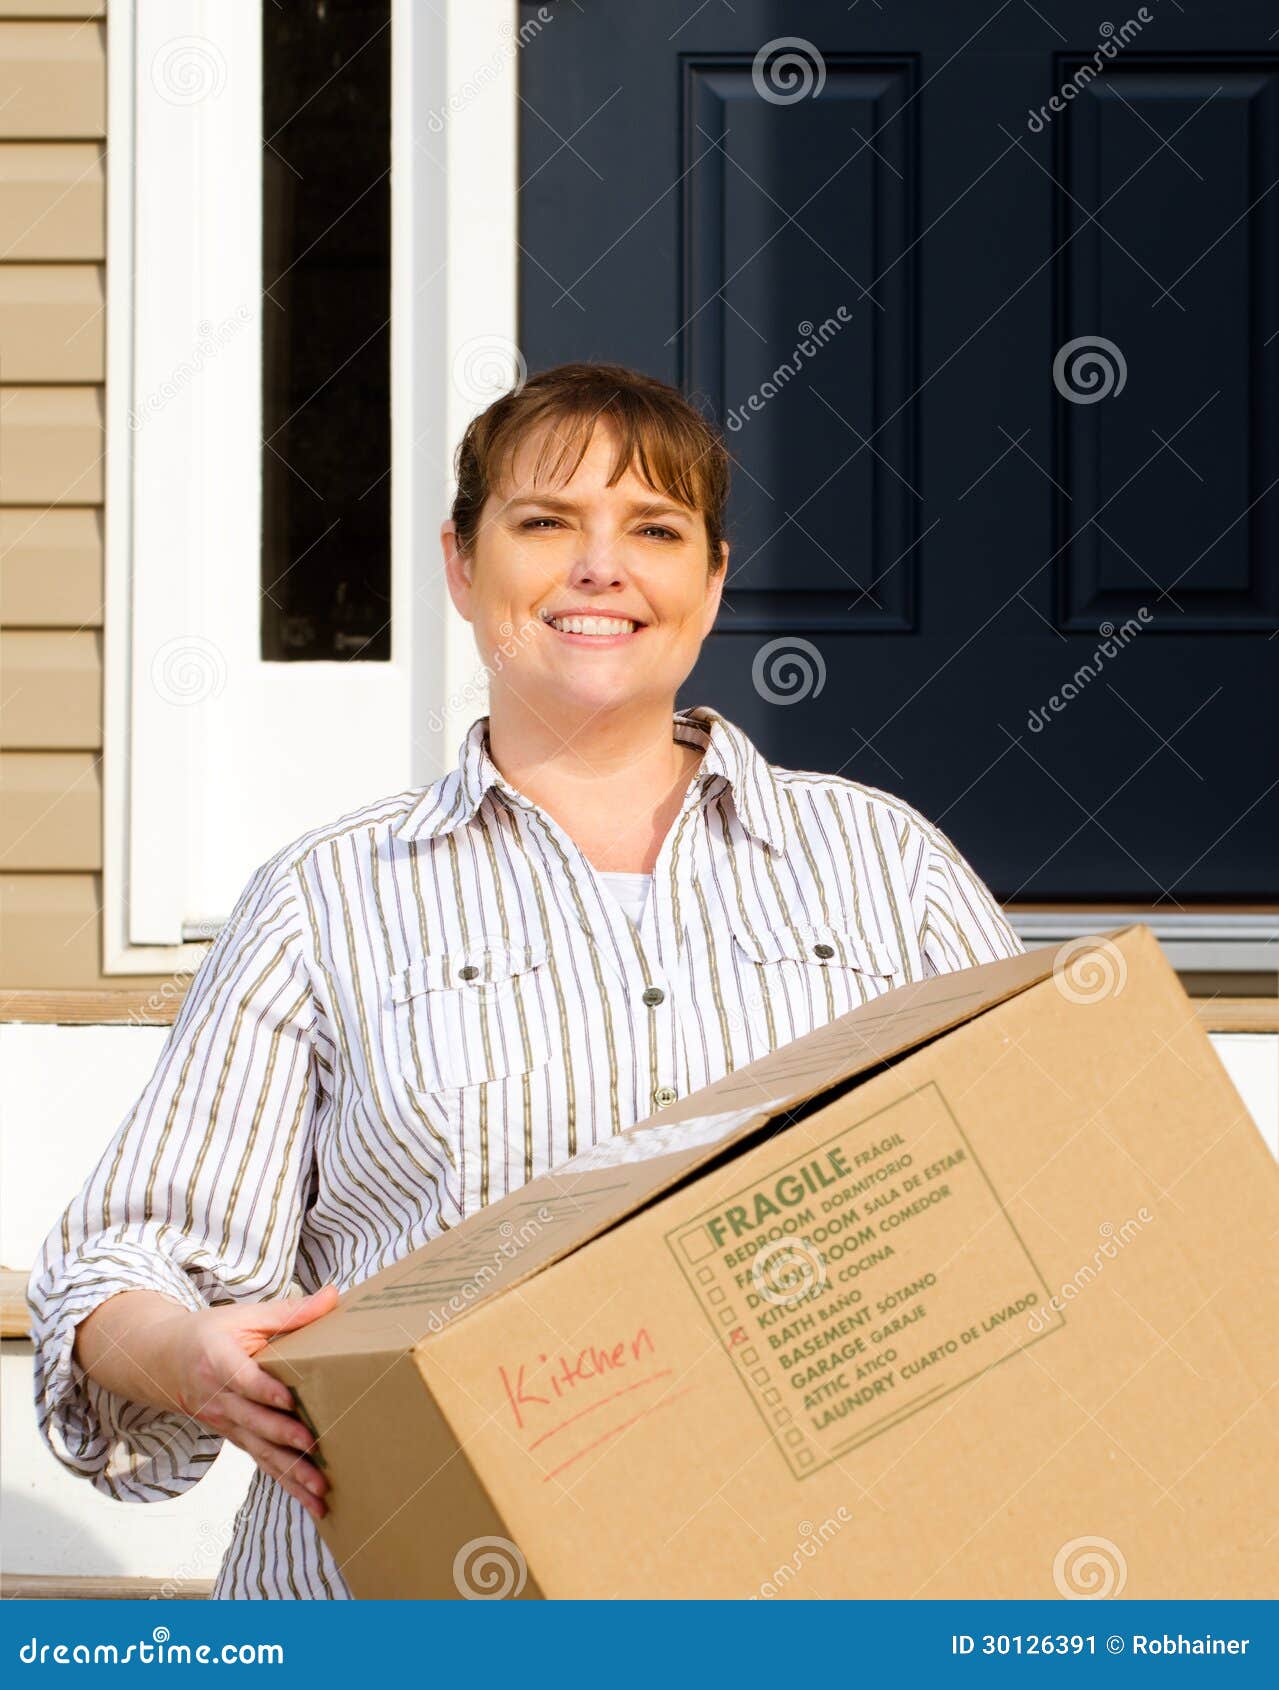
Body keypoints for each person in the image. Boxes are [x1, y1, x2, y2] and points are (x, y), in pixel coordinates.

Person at [27, 361, 1024, 1599]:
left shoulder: (886, 867)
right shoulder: (328, 896)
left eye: (653, 529)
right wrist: (186, 1355)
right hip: (407, 1598)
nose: (600, 567)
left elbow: (1046, 1184)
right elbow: (118, 1262)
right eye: (546, 522)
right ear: (460, 563)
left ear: (711, 580)